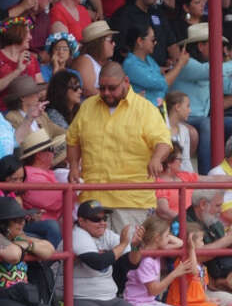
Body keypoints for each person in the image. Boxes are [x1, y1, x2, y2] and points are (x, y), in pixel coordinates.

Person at [65, 58, 172, 232]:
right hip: (93, 199)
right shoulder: (87, 107)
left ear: (126, 82)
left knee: (126, 256)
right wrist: (74, 167)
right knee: (92, 257)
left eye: (112, 88)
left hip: (131, 201)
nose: (106, 93)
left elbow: (163, 141)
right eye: (102, 88)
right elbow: (72, 139)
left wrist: (156, 158)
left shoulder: (145, 109)